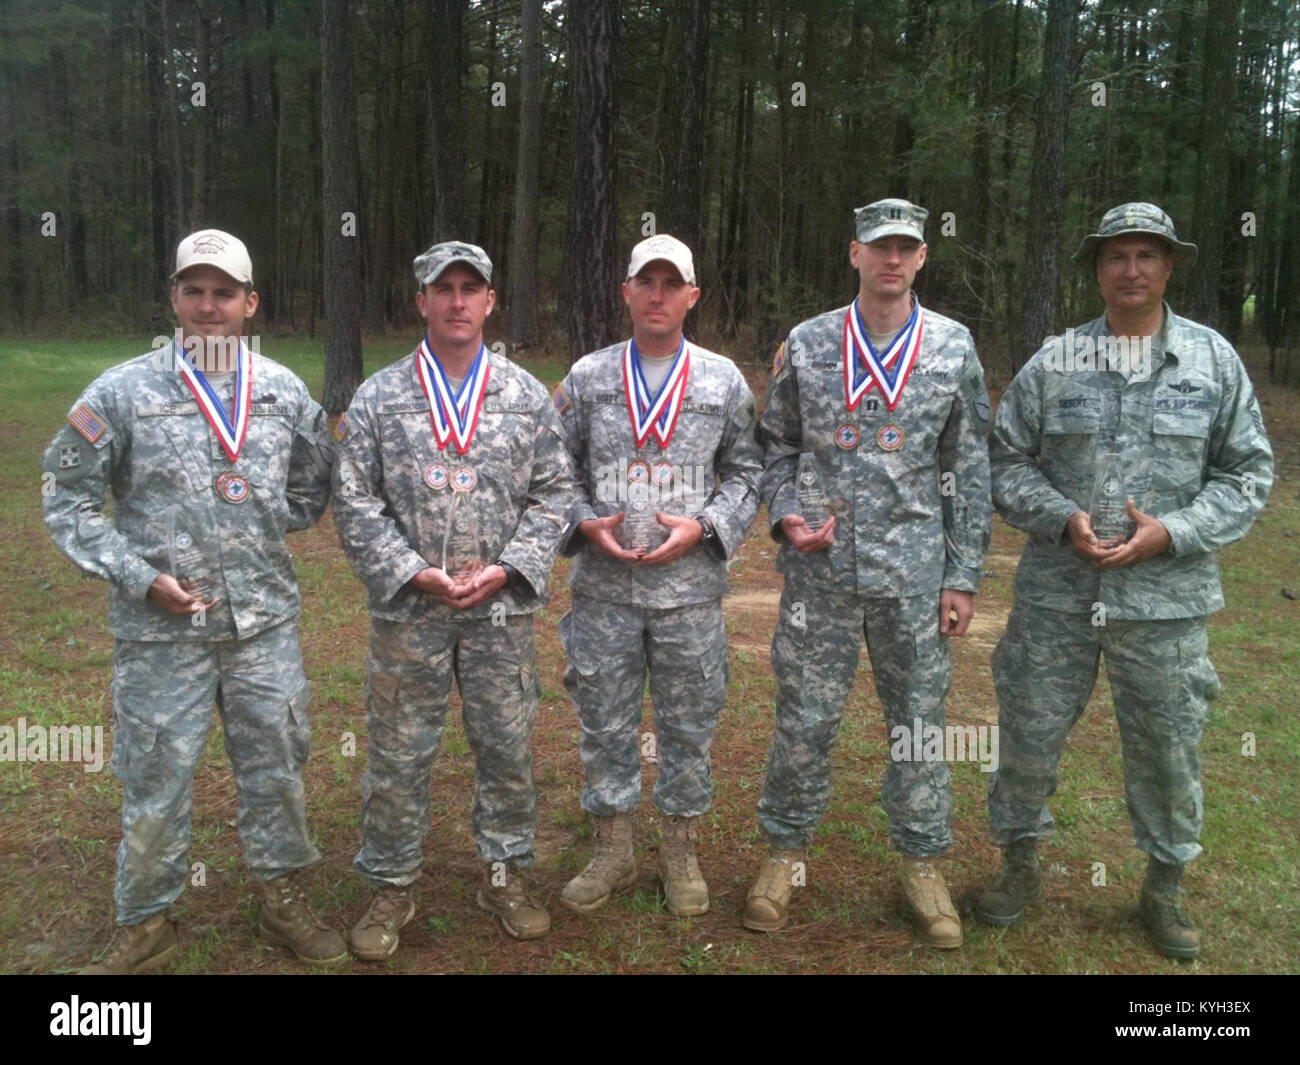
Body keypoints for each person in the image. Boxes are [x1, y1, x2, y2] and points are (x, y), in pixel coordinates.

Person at [43, 229, 343, 973]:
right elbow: (67, 497)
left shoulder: (281, 392)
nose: (209, 307)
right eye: (194, 291)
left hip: (261, 627)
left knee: (276, 767)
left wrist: (260, 535)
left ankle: (282, 902)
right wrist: (139, 574)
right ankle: (145, 923)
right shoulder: (120, 391)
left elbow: (316, 483)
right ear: (174, 297)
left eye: (224, 293)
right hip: (160, 631)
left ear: (250, 302)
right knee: (155, 775)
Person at [978, 203, 1273, 959]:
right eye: (1117, 256)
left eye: (1147, 255)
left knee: (1169, 748)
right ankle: (1019, 865)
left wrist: (1172, 531)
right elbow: (1005, 460)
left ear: (1170, 265)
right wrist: (1059, 515)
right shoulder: (1056, 361)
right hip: (1058, 596)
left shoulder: (1212, 362)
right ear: (1098, 270)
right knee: (1029, 735)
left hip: (1166, 604)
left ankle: (1164, 886)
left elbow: (1248, 474)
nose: (1132, 269)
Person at [743, 200, 992, 947]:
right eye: (879, 245)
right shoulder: (811, 342)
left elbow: (969, 466)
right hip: (819, 576)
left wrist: (964, 574)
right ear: (854, 253)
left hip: (913, 579)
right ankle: (783, 854)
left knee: (918, 724)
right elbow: (774, 447)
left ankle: (921, 863)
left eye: (906, 247)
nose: (892, 258)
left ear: (922, 257)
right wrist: (786, 513)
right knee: (803, 719)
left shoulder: (952, 345)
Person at [332, 240, 573, 954]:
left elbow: (556, 493)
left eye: (472, 288)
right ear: (422, 301)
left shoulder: (525, 394)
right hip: (411, 612)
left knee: (506, 745)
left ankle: (504, 873)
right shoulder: (379, 396)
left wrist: (511, 567)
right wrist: (409, 570)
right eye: (445, 289)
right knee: (399, 752)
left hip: (501, 611)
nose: (458, 301)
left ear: (491, 301)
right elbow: (353, 498)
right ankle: (391, 884)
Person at [553, 234, 761, 917]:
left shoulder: (722, 380)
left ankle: (679, 848)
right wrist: (585, 521)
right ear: (627, 291)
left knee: (688, 722)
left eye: (673, 284)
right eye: (647, 281)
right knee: (606, 722)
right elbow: (556, 472)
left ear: (692, 296)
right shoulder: (588, 377)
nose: (658, 295)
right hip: (604, 591)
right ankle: (613, 845)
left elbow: (752, 471)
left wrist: (704, 528)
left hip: (689, 595)